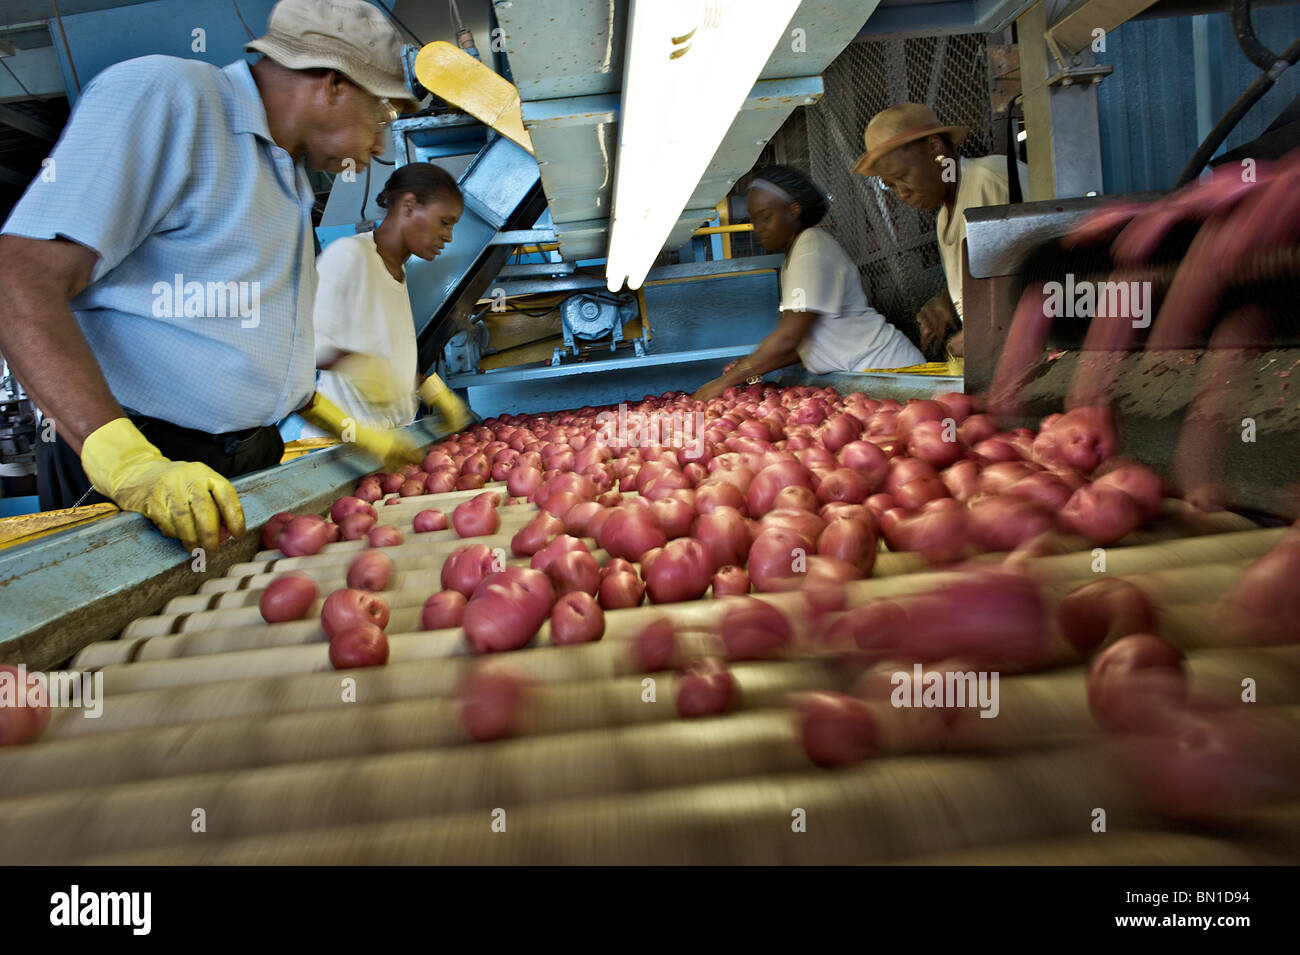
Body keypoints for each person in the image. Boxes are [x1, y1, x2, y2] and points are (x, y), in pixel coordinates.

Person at [0, 0, 419, 554]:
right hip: (146, 460)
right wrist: (126, 463)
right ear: (334, 83)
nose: (381, 144)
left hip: (245, 461)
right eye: (382, 115)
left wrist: (316, 405)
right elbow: (18, 277)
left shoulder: (285, 173)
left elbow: (227, 331)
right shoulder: (171, 98)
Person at [692, 165, 923, 401]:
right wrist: (751, 366)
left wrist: (720, 385)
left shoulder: (811, 247)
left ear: (793, 211)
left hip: (891, 372)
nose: (757, 229)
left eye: (765, 217)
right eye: (753, 220)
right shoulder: (793, 259)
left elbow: (788, 338)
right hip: (868, 376)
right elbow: (797, 345)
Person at [293, 162, 471, 442]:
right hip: (339, 445)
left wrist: (427, 387)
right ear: (409, 206)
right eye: (444, 222)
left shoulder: (399, 273)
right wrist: (353, 363)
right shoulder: (348, 256)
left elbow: (382, 364)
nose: (448, 236)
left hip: (388, 443)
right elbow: (304, 343)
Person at [853, 102, 1027, 359]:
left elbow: (1040, 268)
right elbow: (991, 271)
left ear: (935, 148)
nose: (902, 193)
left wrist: (987, 331)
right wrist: (946, 302)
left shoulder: (990, 180)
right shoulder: (944, 216)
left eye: (903, 176)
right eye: (891, 185)